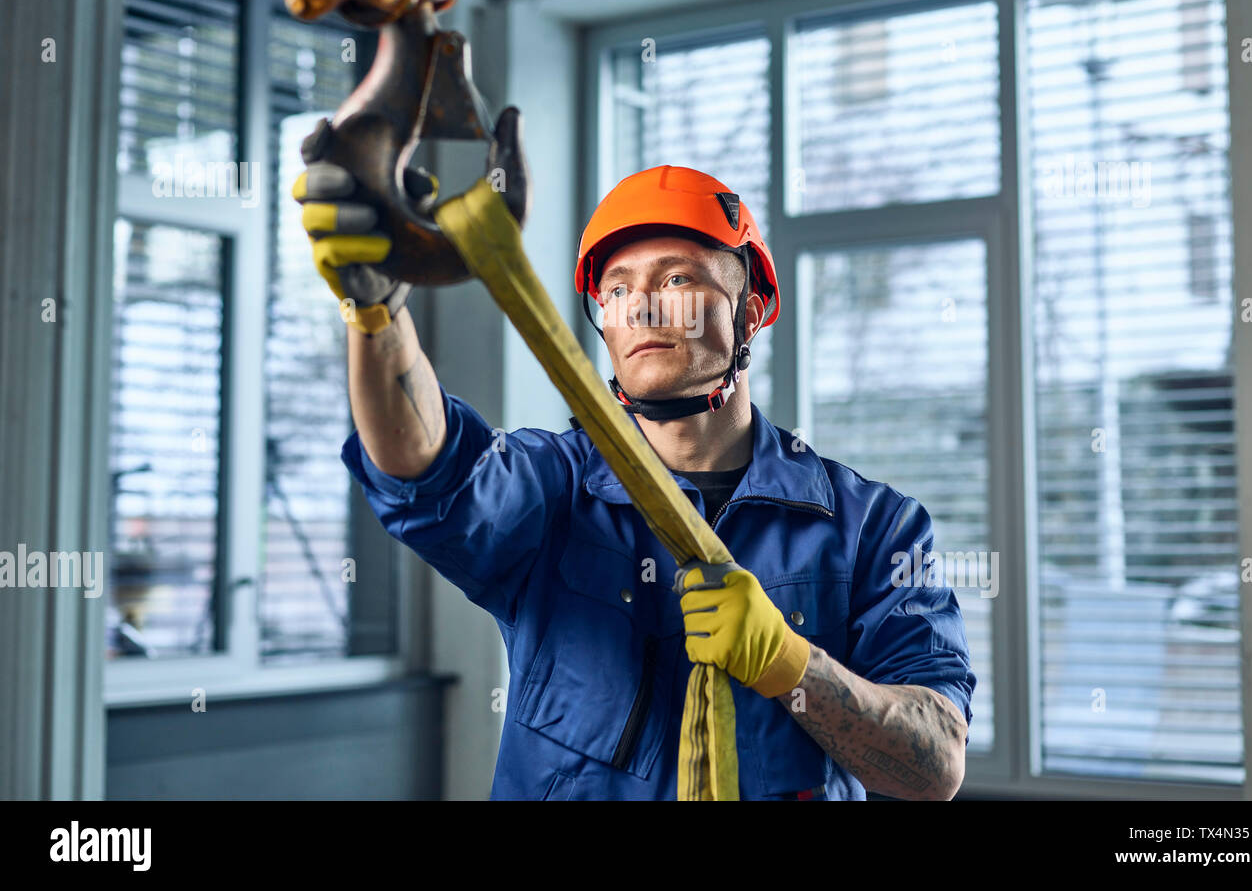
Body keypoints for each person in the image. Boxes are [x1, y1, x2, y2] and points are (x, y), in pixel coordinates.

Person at [295, 159, 977, 800]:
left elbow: (934, 766)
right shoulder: (553, 491)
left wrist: (792, 664)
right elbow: (424, 461)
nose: (642, 309)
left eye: (677, 279)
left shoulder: (870, 527)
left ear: (752, 309)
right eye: (617, 289)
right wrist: (376, 310)